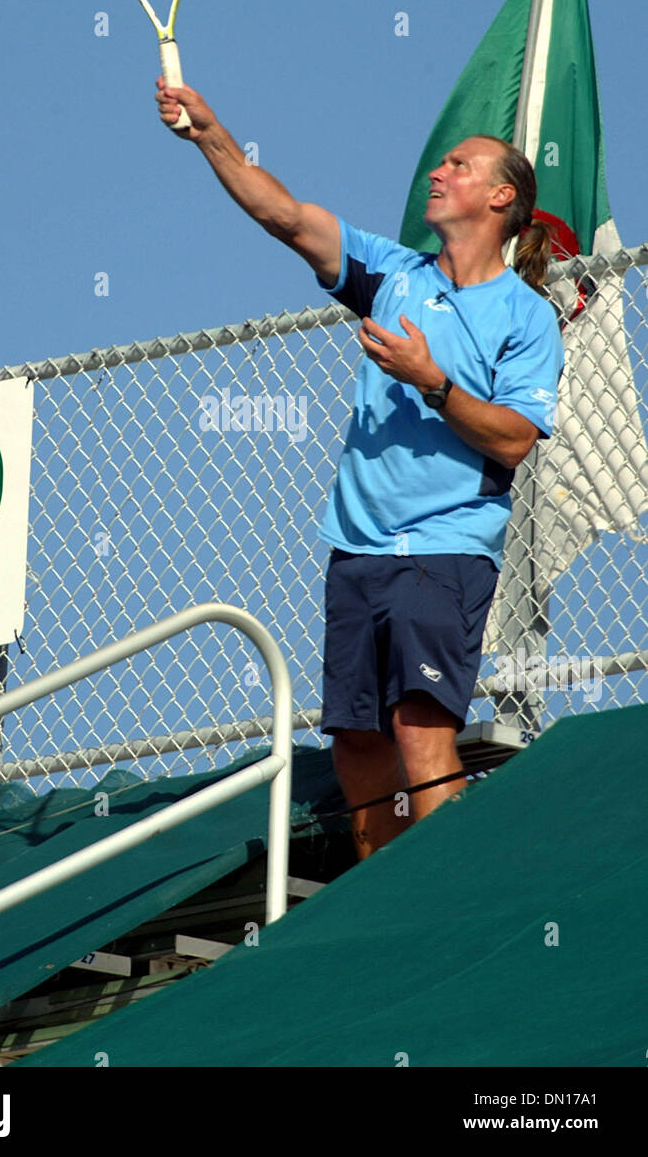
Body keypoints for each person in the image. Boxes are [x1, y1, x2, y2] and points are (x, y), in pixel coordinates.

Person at [155, 77, 564, 857]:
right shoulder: (390, 272)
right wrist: (209, 132)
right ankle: (376, 894)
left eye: (458, 165)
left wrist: (430, 381)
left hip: (443, 550)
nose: (438, 173)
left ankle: (435, 887)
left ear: (500, 196)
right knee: (354, 738)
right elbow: (281, 213)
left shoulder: (525, 315)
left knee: (418, 727)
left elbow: (513, 440)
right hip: (356, 551)